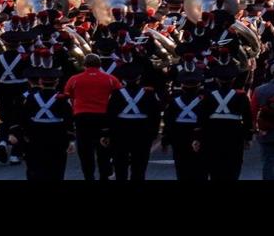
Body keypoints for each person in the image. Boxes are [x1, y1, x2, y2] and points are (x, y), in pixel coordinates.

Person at [62, 53, 123, 181]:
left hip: (82, 117)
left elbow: (67, 95)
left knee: (85, 150)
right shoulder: (110, 79)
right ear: (99, 65)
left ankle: (88, 176)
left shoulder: (74, 79)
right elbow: (120, 95)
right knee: (104, 149)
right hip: (103, 117)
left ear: (84, 65)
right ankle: (104, 175)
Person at [13, 67, 74, 181]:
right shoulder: (63, 99)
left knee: (35, 169)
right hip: (57, 138)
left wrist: (23, 134)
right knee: (56, 170)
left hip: (35, 137)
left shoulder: (30, 98)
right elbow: (69, 120)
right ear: (57, 82)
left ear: (41, 82)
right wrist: (71, 139)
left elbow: (23, 118)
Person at [105, 64, 162, 181]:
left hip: (120, 131)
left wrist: (108, 133)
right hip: (142, 131)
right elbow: (155, 114)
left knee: (120, 164)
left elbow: (110, 115)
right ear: (139, 78)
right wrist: (154, 133)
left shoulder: (116, 94)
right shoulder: (149, 93)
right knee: (140, 166)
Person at [197, 64, 253, 181]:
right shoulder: (241, 96)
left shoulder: (209, 96)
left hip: (213, 133)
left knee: (214, 166)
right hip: (234, 133)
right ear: (233, 80)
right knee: (233, 166)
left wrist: (198, 137)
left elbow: (202, 118)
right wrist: (248, 137)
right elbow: (248, 118)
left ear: (217, 80)